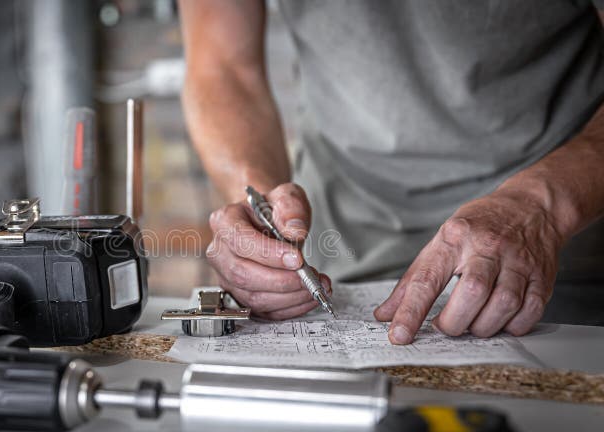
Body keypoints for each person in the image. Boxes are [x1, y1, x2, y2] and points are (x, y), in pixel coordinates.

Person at [178, 0, 604, 344]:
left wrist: (539, 208)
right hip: (342, 252)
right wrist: (263, 215)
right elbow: (224, 68)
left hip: (557, 253)